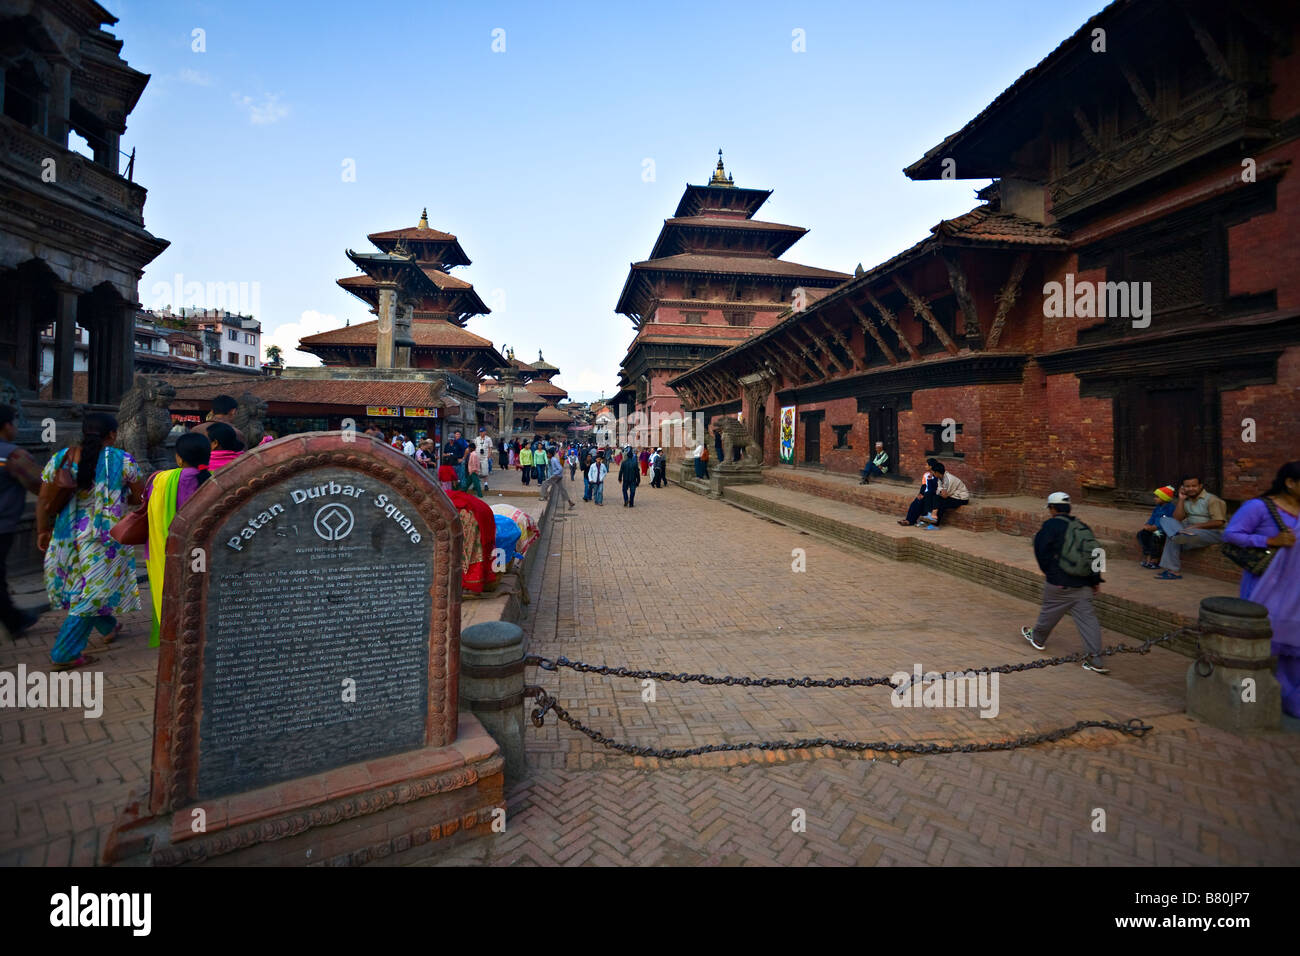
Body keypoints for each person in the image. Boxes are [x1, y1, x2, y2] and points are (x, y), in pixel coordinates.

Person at [39, 413, 143, 670]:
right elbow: (139, 497)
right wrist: (118, 495)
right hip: (101, 539)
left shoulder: (61, 457)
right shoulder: (122, 460)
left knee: (81, 586)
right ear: (112, 435)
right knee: (93, 593)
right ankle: (65, 653)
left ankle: (108, 626)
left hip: (65, 536)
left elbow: (44, 499)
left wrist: (42, 531)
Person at [1223, 461, 1299, 716]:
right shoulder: (1259, 507)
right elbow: (1232, 534)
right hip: (1266, 584)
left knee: (1293, 642)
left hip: (1296, 589)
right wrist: (1269, 540)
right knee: (1265, 638)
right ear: (1290, 483)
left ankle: (1290, 697)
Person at [1021, 492, 1109, 674]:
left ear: (1052, 508)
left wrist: (1051, 574)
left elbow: (1041, 551)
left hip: (1059, 582)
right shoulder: (1082, 526)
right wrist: (1095, 580)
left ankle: (1037, 639)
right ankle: (1095, 660)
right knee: (1088, 621)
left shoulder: (1050, 526)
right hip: (1084, 583)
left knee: (1050, 611)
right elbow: (1097, 552)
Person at [139, 432, 212, 647]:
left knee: (167, 595)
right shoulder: (213, 479)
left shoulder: (160, 479)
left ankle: (172, 637)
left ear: (178, 457)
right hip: (201, 551)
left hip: (163, 550)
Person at [0, 404, 42, 639]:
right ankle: (14, 620)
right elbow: (40, 485)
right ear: (7, 426)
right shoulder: (13, 455)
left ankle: (13, 619)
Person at [1155, 474, 1228, 580]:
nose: (1191, 489)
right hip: (1188, 531)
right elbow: (1177, 519)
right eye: (1187, 487)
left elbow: (1219, 522)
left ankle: (1173, 571)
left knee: (1174, 537)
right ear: (1183, 488)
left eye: (1194, 486)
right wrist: (1181, 499)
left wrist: (1197, 526)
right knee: (1165, 520)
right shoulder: (1186, 500)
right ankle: (1179, 535)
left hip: (1211, 532)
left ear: (1200, 486)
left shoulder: (1212, 500)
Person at [1136, 485, 1176, 568]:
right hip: (1153, 528)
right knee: (1142, 534)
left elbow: (1166, 521)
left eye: (1157, 497)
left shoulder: (1170, 508)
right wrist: (1148, 524)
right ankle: (1148, 556)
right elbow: (1153, 517)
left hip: (1163, 530)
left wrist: (1155, 527)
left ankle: (1154, 560)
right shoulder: (1158, 507)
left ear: (1164, 498)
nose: (1155, 498)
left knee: (1156, 536)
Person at [919, 461, 969, 527]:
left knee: (940, 502)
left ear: (937, 472)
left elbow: (945, 495)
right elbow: (939, 489)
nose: (932, 473)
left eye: (933, 472)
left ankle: (934, 522)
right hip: (952, 495)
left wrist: (940, 492)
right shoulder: (940, 478)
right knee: (929, 495)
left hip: (961, 498)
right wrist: (930, 480)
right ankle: (929, 515)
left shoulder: (949, 479)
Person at [898, 460, 940, 526]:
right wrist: (920, 494)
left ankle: (910, 521)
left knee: (919, 503)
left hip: (931, 495)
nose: (925, 466)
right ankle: (908, 520)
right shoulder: (926, 474)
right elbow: (923, 485)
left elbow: (932, 489)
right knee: (914, 503)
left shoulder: (936, 476)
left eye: (926, 465)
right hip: (925, 493)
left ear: (931, 466)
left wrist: (930, 480)